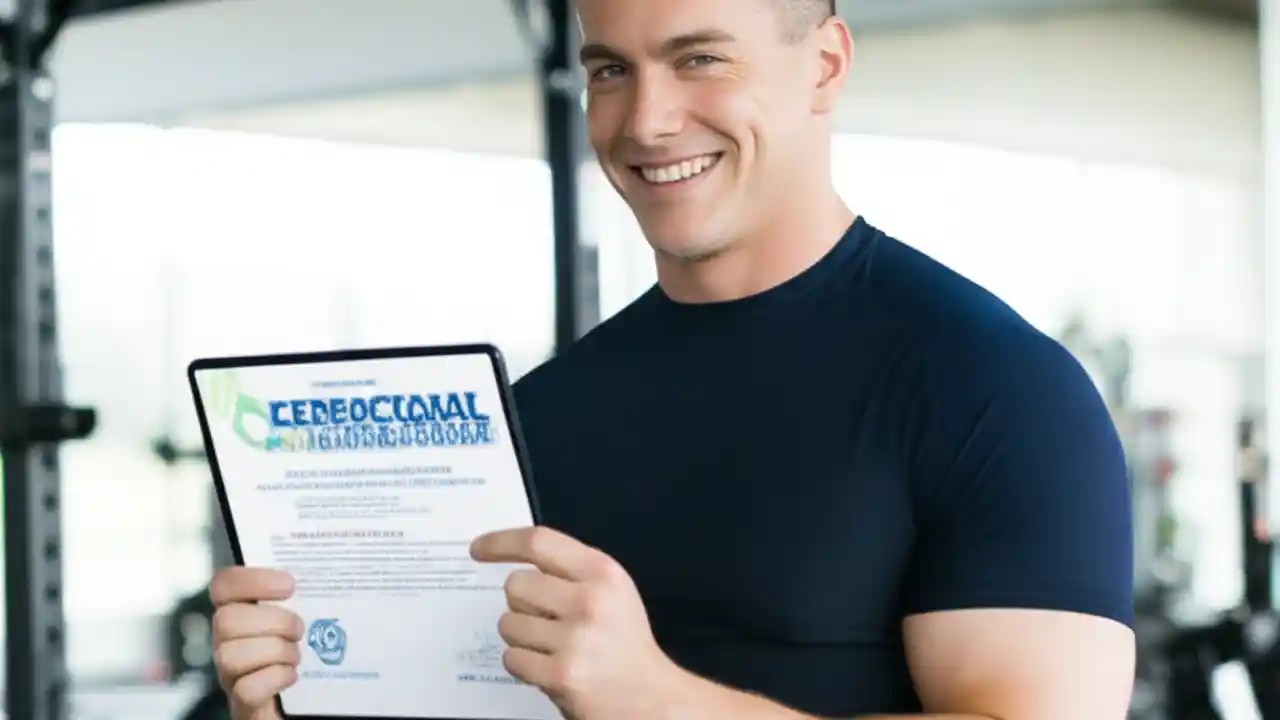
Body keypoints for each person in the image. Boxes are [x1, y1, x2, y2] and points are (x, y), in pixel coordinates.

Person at [207, 0, 1137, 717]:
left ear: (824, 65)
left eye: (699, 58)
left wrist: (656, 698)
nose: (646, 120)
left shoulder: (999, 392)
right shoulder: (537, 416)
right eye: (611, 69)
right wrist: (298, 696)